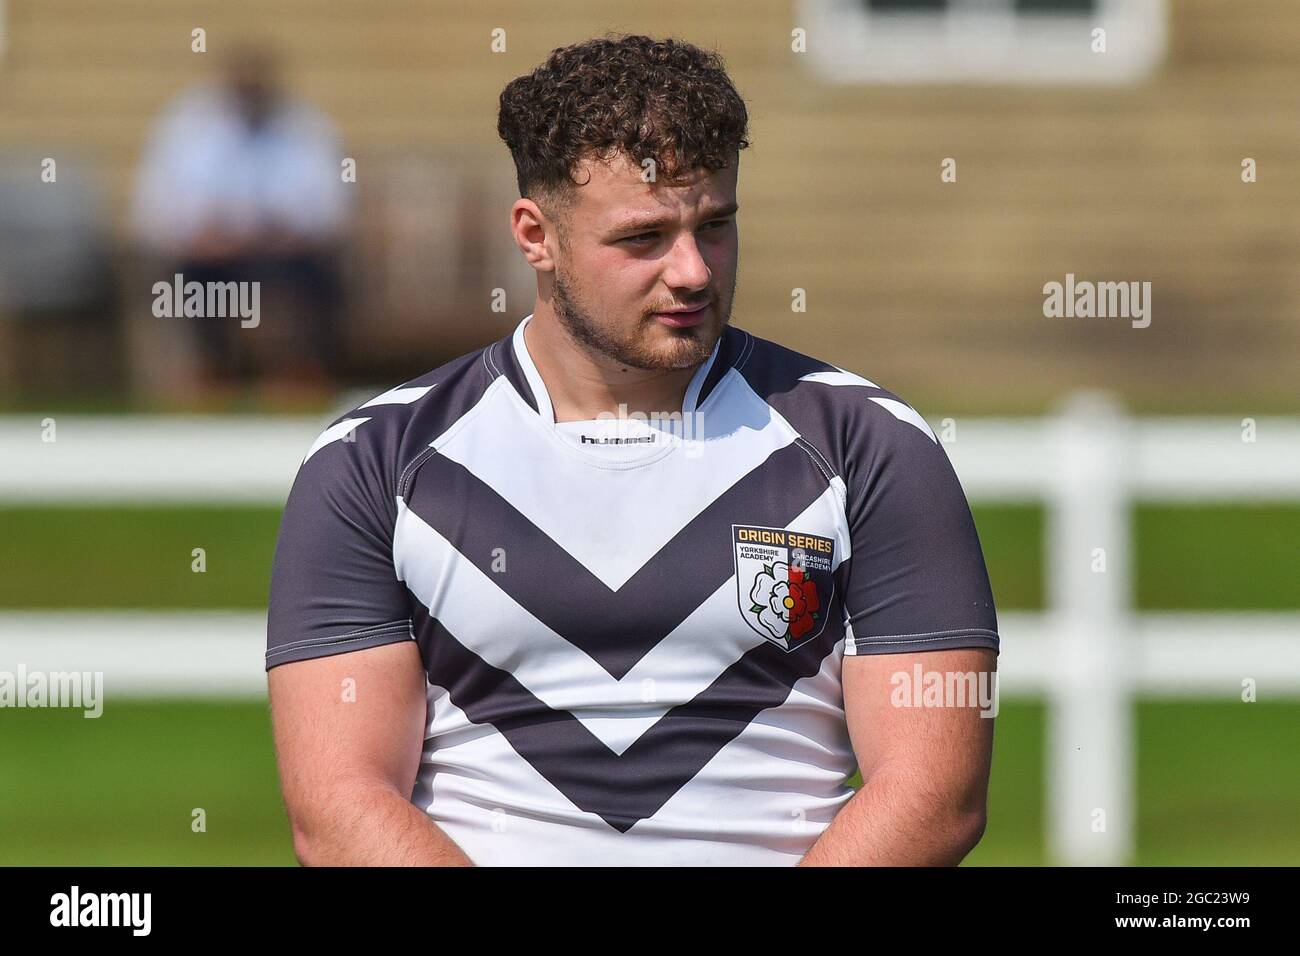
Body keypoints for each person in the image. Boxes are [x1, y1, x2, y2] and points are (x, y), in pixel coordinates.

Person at [266, 34, 999, 866]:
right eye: (644, 238)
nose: (692, 270)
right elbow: (339, 805)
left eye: (714, 227)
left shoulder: (870, 446)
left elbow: (935, 797)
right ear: (535, 236)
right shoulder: (375, 461)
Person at [131, 44, 348, 398]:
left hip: (284, 255)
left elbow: (328, 210)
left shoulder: (306, 127)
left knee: (317, 276)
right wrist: (205, 236)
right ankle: (212, 372)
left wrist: (284, 234)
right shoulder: (187, 127)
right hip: (214, 257)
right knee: (195, 277)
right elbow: (159, 209)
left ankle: (302, 373)